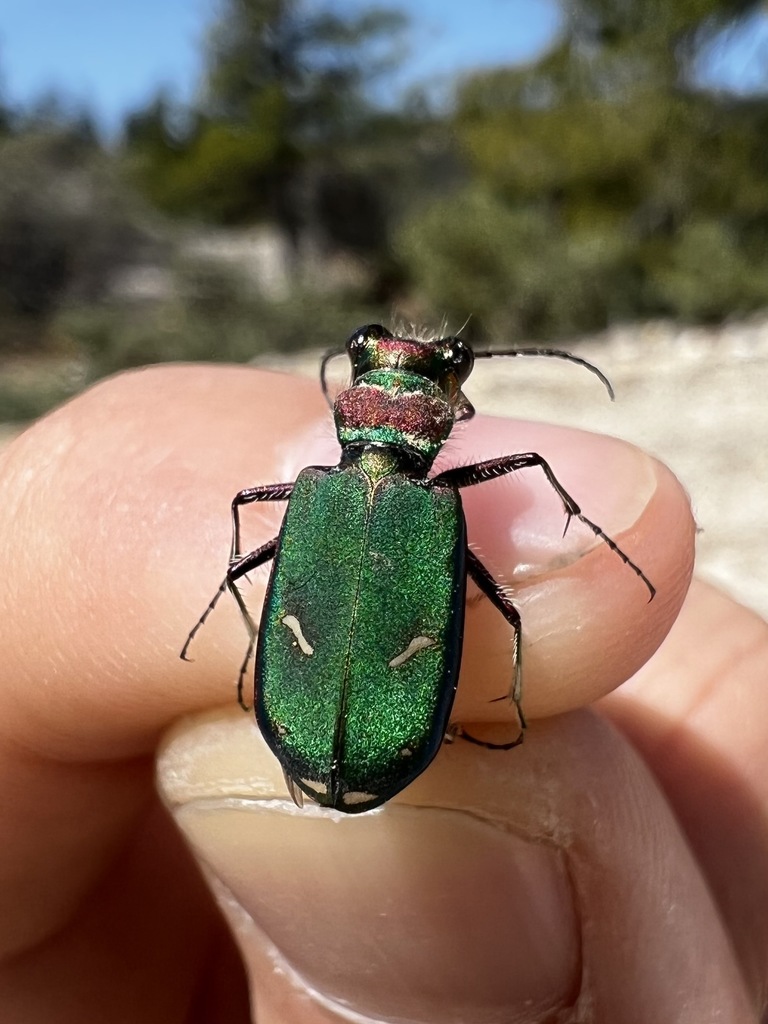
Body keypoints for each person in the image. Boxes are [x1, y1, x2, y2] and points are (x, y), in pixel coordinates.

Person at [0, 363, 762, 1022]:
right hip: (360, 723)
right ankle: (516, 706)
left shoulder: (313, 493)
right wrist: (518, 700)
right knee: (515, 623)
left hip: (323, 718)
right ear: (442, 421)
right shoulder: (433, 503)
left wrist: (232, 628)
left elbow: (241, 539)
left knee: (248, 549)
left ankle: (251, 661)